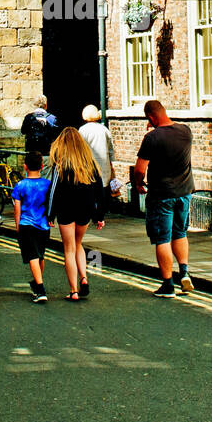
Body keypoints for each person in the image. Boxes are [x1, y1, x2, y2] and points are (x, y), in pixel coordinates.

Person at [131, 99, 194, 298]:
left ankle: (168, 284)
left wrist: (138, 184)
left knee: (162, 239)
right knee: (180, 233)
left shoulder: (152, 138)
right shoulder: (186, 131)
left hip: (162, 195)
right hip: (184, 192)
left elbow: (140, 169)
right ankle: (184, 272)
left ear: (150, 117)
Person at [48, 127, 106, 301]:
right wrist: (99, 216)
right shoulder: (91, 165)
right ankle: (84, 278)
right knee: (78, 244)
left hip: (66, 209)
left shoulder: (60, 164)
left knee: (69, 249)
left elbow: (53, 191)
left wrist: (50, 214)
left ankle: (74, 291)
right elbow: (99, 192)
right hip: (85, 209)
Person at [11, 151, 52, 303]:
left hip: (27, 225)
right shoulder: (47, 185)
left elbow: (17, 209)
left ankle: (40, 290)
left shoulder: (20, 185)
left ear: (25, 166)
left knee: (32, 256)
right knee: (40, 255)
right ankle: (37, 283)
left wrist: (17, 227)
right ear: (42, 166)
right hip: (43, 225)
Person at [78, 104, 118, 220]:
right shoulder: (104, 129)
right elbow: (110, 148)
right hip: (103, 163)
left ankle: (90, 212)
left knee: (89, 189)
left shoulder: (82, 130)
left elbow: (80, 148)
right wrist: (111, 162)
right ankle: (100, 215)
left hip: (88, 164)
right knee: (102, 190)